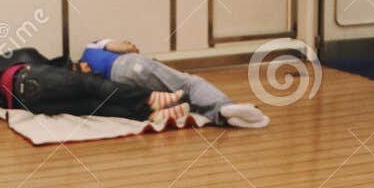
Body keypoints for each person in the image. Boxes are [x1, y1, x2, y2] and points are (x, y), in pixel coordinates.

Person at [0, 46, 191, 125]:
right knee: (93, 86)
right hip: (26, 80)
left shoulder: (45, 68)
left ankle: (148, 115)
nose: (88, 67)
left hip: (28, 103)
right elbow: (89, 81)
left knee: (95, 107)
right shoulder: (31, 60)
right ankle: (148, 98)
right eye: (85, 66)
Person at [76, 38, 269, 129]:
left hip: (122, 85)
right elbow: (124, 46)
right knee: (190, 83)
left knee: (179, 97)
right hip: (130, 65)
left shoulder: (87, 69)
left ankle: (221, 115)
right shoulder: (92, 45)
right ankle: (227, 106)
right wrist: (130, 48)